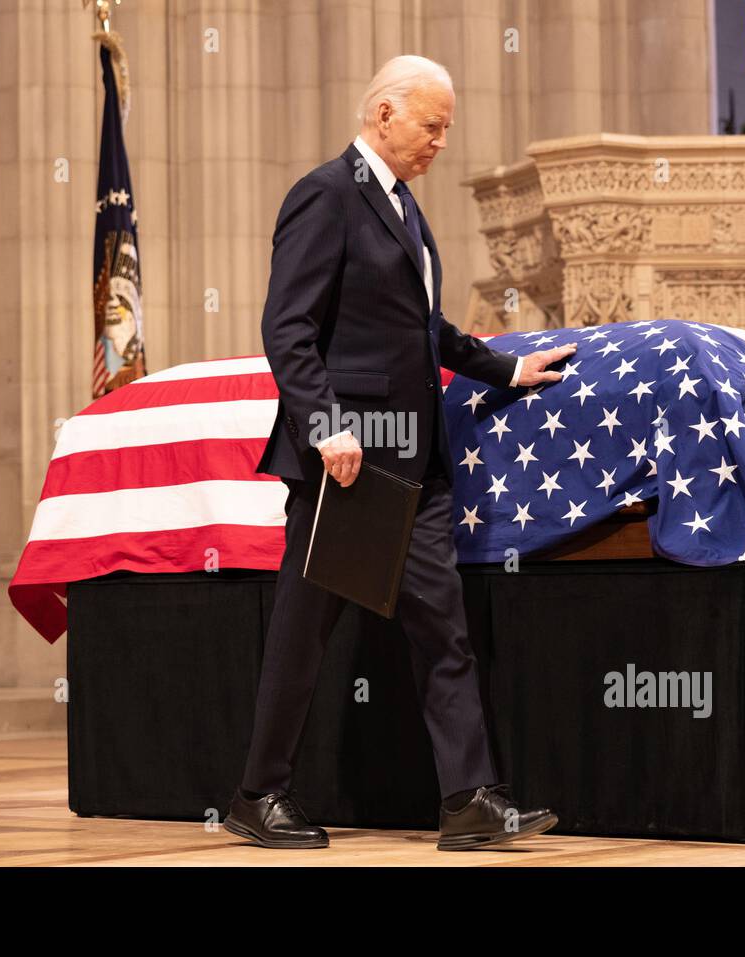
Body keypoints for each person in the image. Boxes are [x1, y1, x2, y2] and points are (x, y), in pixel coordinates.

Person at [224, 54, 575, 851]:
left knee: (442, 630)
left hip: (416, 466)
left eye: (446, 128)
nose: (440, 142)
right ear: (384, 113)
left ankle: (468, 800)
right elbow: (288, 328)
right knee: (304, 635)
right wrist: (327, 425)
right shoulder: (325, 196)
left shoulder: (405, 210)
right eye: (432, 124)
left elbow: (427, 330)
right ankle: (258, 791)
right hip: (349, 467)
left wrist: (507, 367)